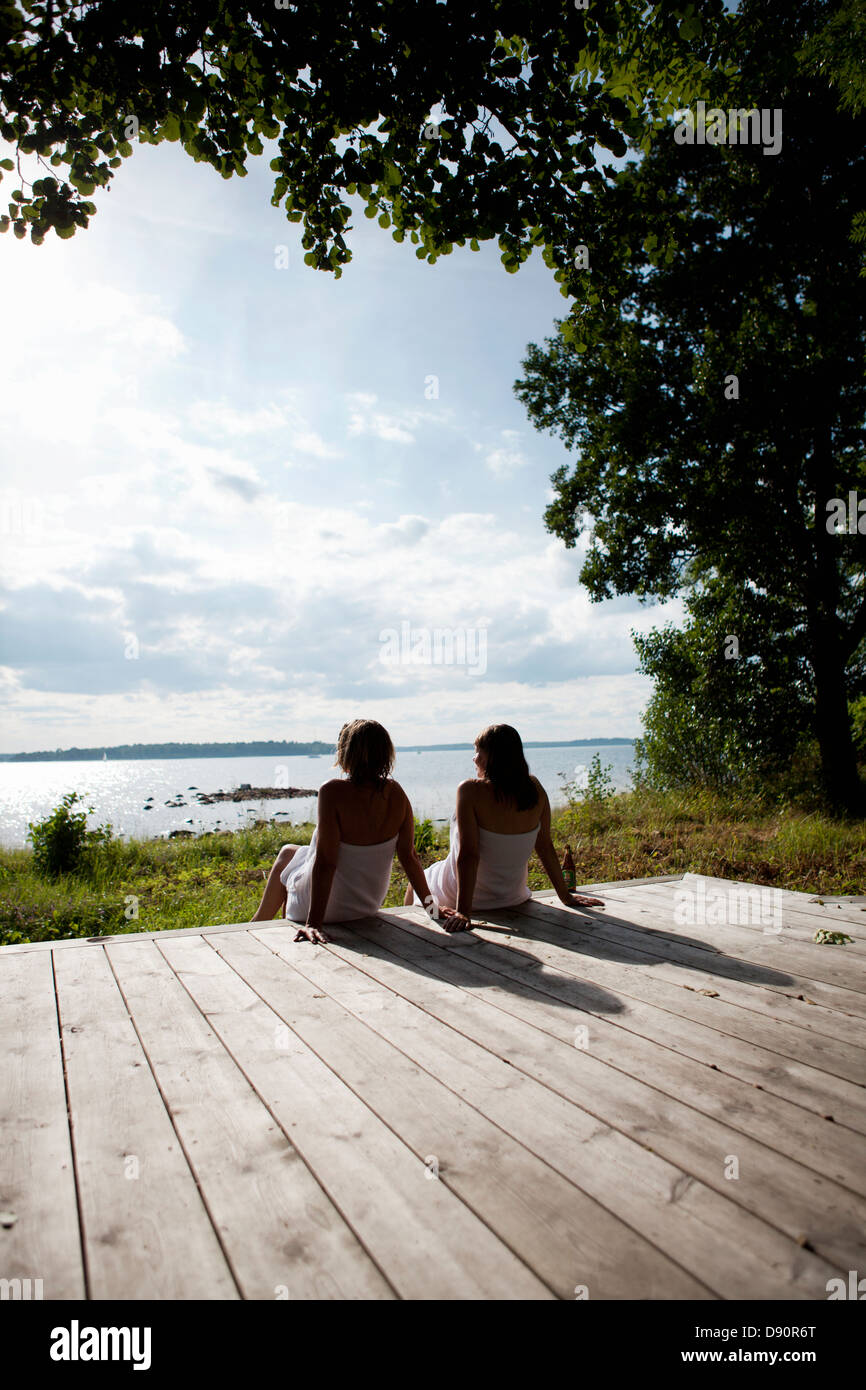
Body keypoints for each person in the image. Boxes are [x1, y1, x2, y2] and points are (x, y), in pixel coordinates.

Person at [251, 718, 470, 942]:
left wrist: (313, 924)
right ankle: (260, 924)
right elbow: (409, 857)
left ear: (346, 754)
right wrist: (433, 910)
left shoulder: (332, 791)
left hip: (324, 911)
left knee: (288, 857)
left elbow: (326, 862)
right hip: (365, 906)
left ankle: (258, 926)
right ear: (386, 754)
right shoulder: (396, 794)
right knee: (290, 852)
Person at [406, 723, 605, 928]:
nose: (474, 758)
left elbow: (468, 855)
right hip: (512, 896)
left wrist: (463, 912)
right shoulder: (535, 789)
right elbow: (545, 846)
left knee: (414, 885)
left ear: (491, 756)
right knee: (431, 873)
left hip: (460, 896)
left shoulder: (470, 790)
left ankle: (426, 921)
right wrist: (565, 896)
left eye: (477, 751)